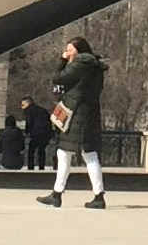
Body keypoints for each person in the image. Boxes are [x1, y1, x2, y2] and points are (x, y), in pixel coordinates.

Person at [37, 37, 105, 208]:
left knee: (84, 154)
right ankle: (58, 193)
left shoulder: (81, 63)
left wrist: (62, 61)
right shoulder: (94, 65)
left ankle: (97, 196)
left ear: (78, 50)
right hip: (87, 112)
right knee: (70, 153)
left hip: (77, 113)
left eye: (70, 49)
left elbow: (58, 78)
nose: (67, 52)